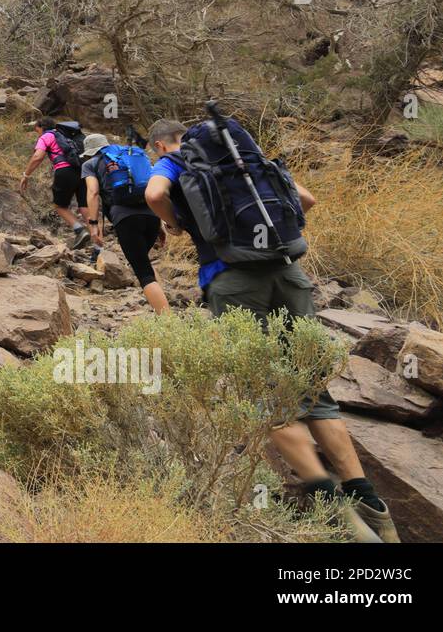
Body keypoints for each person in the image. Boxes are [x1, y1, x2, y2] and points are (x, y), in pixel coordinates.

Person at [143, 117, 398, 543]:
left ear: (160, 145)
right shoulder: (248, 159)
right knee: (315, 391)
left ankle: (339, 515)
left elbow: (154, 194)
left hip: (232, 279)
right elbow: (308, 201)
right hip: (289, 274)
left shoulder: (176, 162)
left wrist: (176, 223)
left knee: (266, 395)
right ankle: (374, 510)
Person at [80, 132, 170, 313]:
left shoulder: (90, 164)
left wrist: (93, 224)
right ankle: (164, 306)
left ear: (90, 151)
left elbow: (93, 193)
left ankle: (169, 324)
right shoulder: (131, 156)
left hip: (125, 218)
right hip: (151, 215)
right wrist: (160, 222)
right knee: (143, 262)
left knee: (143, 273)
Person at [19, 116, 90, 250]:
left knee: (60, 206)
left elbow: (37, 156)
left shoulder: (46, 136)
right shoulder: (65, 135)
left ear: (41, 127)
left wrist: (26, 175)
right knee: (84, 205)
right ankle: (96, 238)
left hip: (64, 171)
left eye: (37, 130)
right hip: (82, 170)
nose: (37, 133)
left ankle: (80, 229)